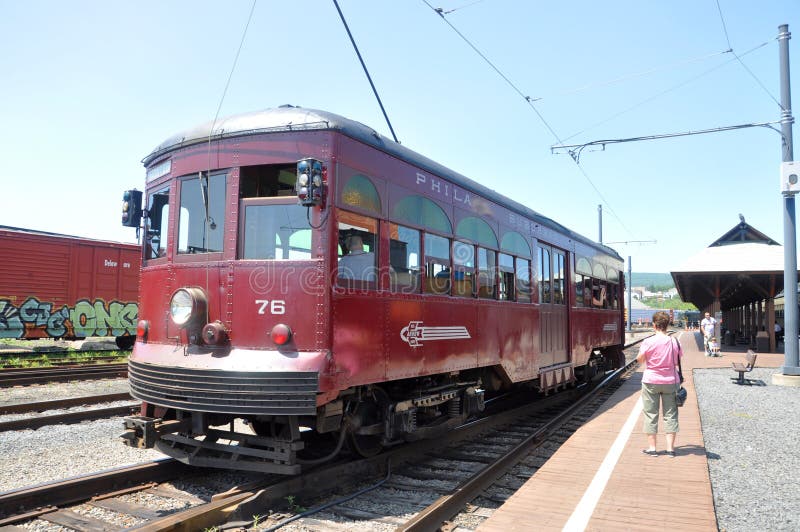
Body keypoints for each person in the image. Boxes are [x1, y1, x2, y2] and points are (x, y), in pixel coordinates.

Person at [636, 311, 682, 457]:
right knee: (671, 414)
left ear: (654, 325)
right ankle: (670, 449)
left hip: (651, 381)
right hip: (671, 381)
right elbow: (676, 361)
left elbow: (640, 360)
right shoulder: (675, 341)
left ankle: (652, 448)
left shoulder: (648, 341)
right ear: (667, 325)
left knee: (650, 414)